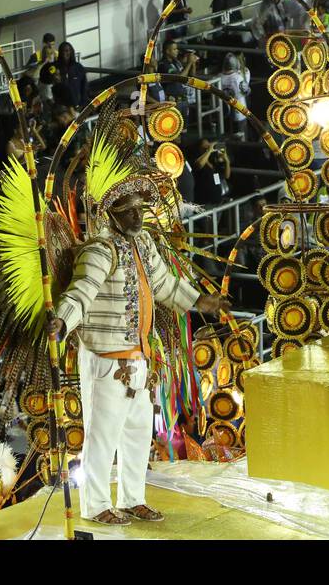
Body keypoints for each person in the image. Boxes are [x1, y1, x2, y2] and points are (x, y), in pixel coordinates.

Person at [49, 179, 226, 525]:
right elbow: (80, 294)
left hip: (138, 356)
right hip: (106, 360)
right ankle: (95, 504)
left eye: (139, 209)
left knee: (137, 431)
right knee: (102, 434)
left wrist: (201, 301)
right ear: (111, 214)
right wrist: (61, 321)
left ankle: (133, 498)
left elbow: (165, 285)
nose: (136, 216)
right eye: (128, 211)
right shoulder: (99, 251)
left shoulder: (143, 243)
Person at [56, 41, 88, 108]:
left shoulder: (78, 67)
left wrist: (83, 104)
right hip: (63, 109)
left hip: (77, 106)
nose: (66, 53)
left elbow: (84, 87)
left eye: (68, 51)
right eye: (63, 51)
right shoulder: (56, 68)